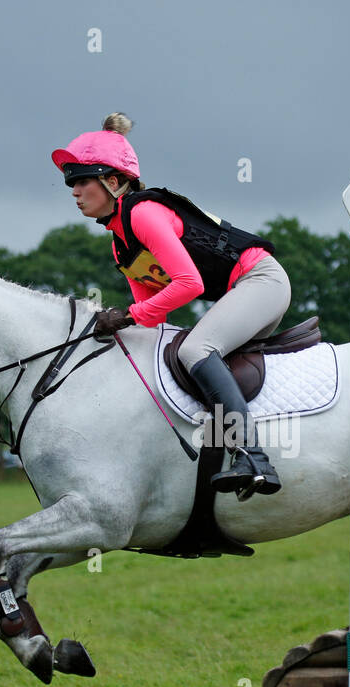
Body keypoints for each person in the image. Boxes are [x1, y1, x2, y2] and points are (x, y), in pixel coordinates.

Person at [51, 112, 290, 500]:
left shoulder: (143, 213)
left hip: (261, 281)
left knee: (196, 348)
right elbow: (153, 317)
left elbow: (188, 284)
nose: (74, 192)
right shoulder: (120, 243)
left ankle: (254, 457)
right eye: (70, 184)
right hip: (240, 290)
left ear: (113, 182)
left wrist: (126, 315)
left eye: (81, 181)